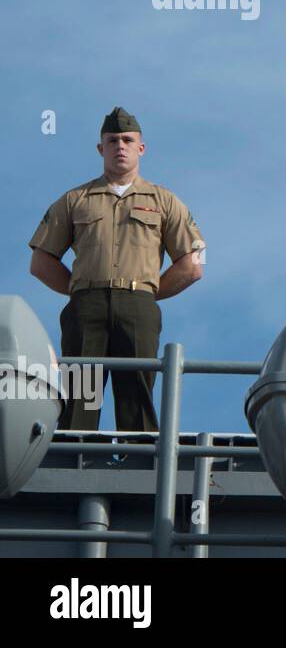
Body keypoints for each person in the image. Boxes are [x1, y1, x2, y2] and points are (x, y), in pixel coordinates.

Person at [28, 107, 205, 431]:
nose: (120, 146)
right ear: (101, 148)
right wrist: (82, 289)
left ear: (141, 147)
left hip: (139, 305)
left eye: (127, 140)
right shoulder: (75, 199)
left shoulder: (164, 201)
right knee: (81, 391)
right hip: (86, 305)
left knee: (136, 391)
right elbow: (41, 261)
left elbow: (193, 264)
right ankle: (76, 458)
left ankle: (138, 464)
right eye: (112, 140)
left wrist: (146, 293)